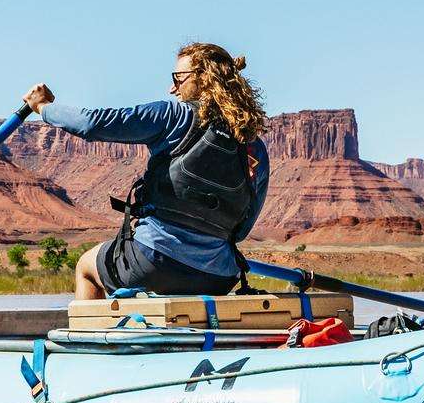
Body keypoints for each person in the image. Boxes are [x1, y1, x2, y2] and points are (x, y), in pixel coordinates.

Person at [22, 42, 271, 299]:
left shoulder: (174, 116)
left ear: (204, 79)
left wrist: (44, 107)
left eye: (178, 78)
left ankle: (88, 336)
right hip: (219, 276)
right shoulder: (254, 146)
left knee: (86, 266)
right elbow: (241, 230)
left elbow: (91, 123)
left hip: (154, 260)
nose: (172, 87)